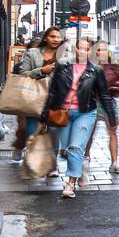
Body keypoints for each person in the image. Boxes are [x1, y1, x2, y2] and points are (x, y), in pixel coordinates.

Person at [44, 35, 115, 199]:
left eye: (86, 49)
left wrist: (111, 116)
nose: (82, 51)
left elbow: (104, 95)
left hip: (85, 113)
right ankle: (77, 169)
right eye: (79, 47)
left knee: (76, 147)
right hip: (63, 113)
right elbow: (52, 91)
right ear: (74, 48)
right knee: (67, 149)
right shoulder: (62, 66)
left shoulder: (96, 70)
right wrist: (45, 113)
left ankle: (70, 183)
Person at [13, 27, 71, 176]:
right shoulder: (33, 53)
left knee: (53, 133)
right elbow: (22, 74)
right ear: (46, 38)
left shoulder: (65, 56)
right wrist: (41, 71)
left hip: (56, 100)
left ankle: (52, 166)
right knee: (33, 132)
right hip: (35, 99)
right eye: (52, 36)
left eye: (58, 37)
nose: (55, 39)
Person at [83, 41, 119, 175]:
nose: (102, 53)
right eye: (99, 50)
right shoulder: (88, 66)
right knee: (89, 132)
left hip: (108, 102)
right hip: (93, 101)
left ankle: (114, 163)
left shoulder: (112, 65)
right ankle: (86, 157)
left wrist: (118, 85)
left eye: (104, 50)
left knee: (112, 131)